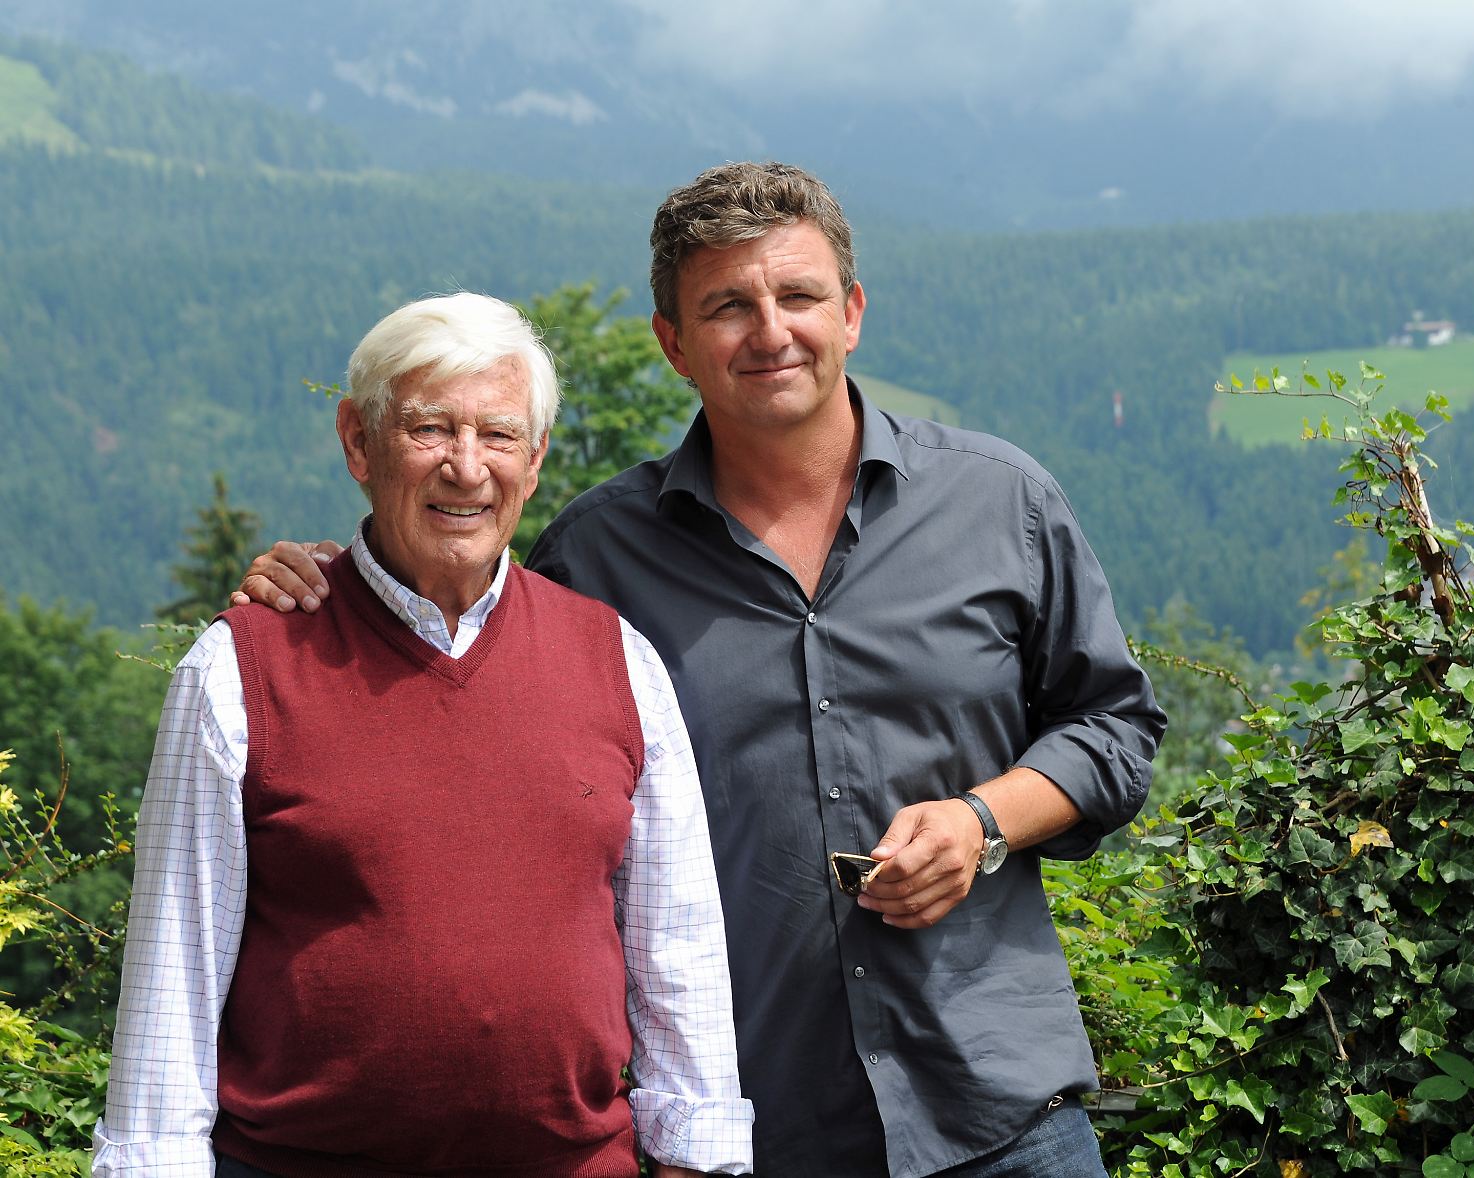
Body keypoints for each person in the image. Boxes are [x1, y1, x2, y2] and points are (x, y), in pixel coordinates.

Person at [236, 163, 1166, 1177]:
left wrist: (983, 820)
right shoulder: (596, 557)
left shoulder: (1001, 503)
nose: (771, 331)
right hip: (753, 1127)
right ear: (672, 343)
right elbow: (456, 668)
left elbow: (1114, 728)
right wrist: (334, 586)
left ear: (851, 312)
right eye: (728, 305)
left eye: (799, 295)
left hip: (998, 1108)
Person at [95, 293, 753, 1178]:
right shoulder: (243, 668)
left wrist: (699, 1158)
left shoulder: (617, 661)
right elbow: (173, 977)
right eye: (430, 430)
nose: (467, 468)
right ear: (359, 442)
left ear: (537, 456)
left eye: (499, 435)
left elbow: (677, 950)